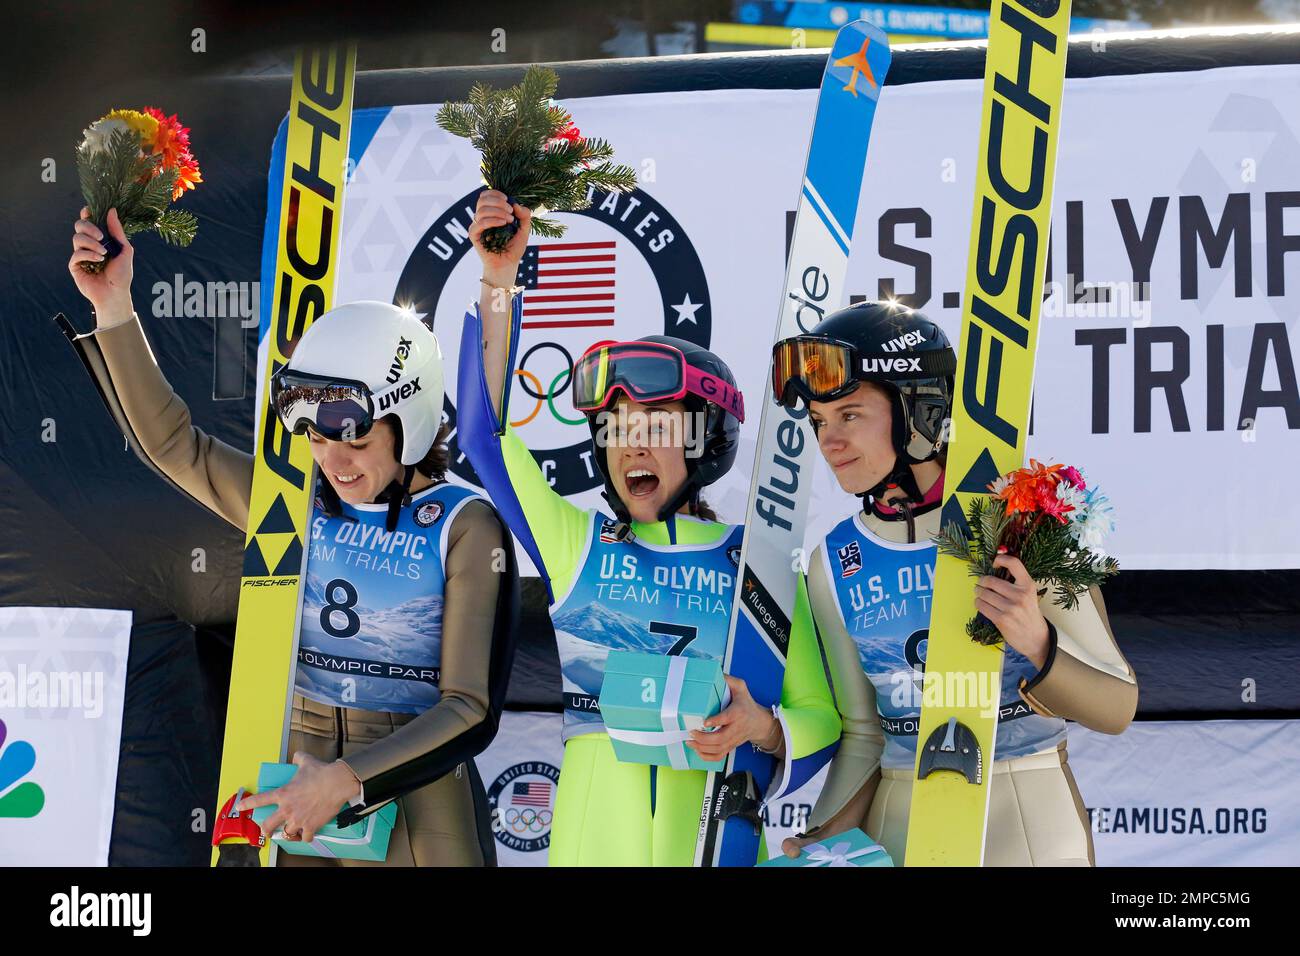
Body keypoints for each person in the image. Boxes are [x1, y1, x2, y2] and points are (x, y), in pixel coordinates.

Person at [67, 206, 519, 866]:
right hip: (299, 777)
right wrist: (113, 307)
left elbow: (470, 709)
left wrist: (346, 781)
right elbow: (174, 445)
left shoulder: (463, 524)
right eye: (316, 438)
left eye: (356, 439)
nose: (334, 461)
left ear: (412, 420)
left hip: (411, 793)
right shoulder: (294, 505)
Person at [456, 189, 841, 865]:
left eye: (657, 426)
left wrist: (763, 726)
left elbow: (821, 720)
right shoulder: (578, 547)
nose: (632, 444)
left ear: (705, 443)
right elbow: (484, 438)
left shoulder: (758, 566)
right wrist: (498, 280)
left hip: (715, 841)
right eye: (617, 427)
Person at [773, 301, 1138, 866]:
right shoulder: (833, 562)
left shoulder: (1019, 521)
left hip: (1029, 817)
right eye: (820, 422)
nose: (829, 441)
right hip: (900, 826)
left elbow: (1118, 705)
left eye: (850, 415)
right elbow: (867, 735)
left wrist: (1038, 643)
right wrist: (823, 835)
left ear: (921, 411)